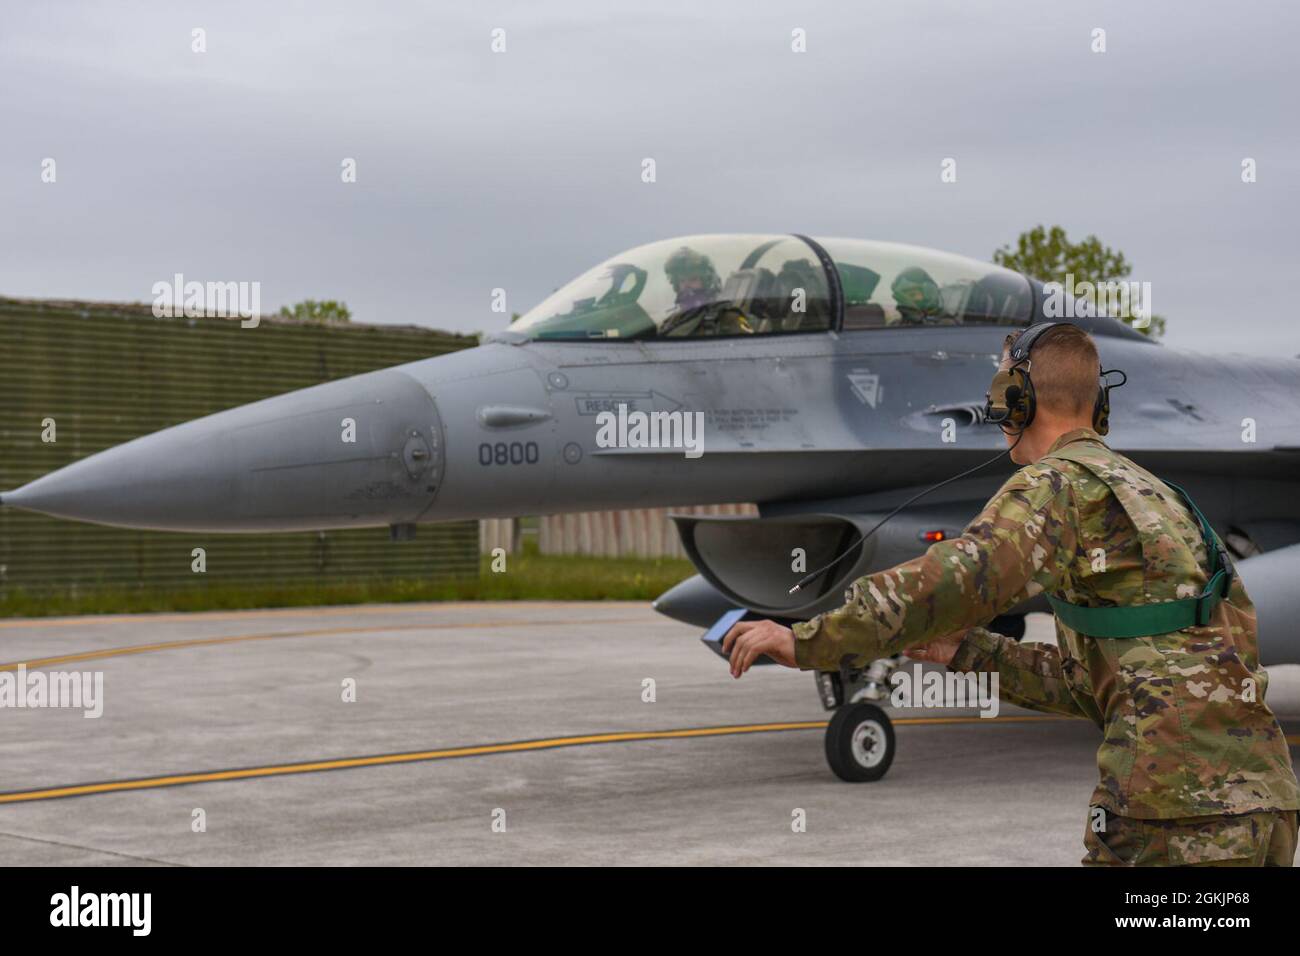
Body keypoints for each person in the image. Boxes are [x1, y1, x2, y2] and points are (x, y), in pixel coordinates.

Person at [723, 322, 1300, 866]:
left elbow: (952, 582)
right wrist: (964, 652)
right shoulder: (1165, 498)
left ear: (1018, 399)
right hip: (1262, 807)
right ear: (1098, 406)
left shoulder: (1057, 486)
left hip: (1170, 813)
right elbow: (1099, 685)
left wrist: (809, 640)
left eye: (1001, 393)